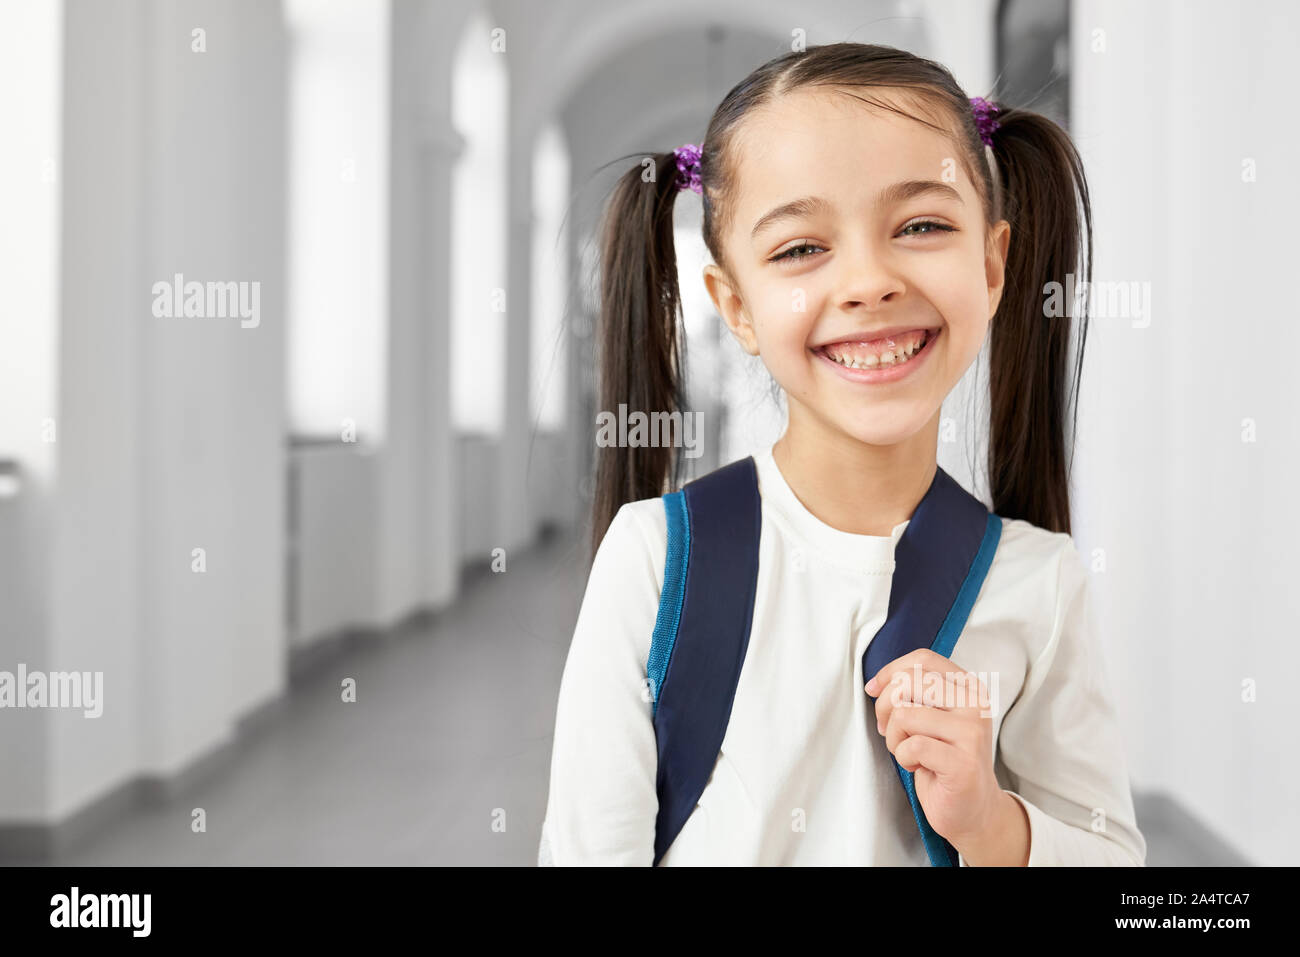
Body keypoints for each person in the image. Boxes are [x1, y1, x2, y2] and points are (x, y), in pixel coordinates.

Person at [539, 41, 1145, 866]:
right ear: (737, 306)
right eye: (799, 248)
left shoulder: (1041, 581)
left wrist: (992, 823)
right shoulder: (654, 560)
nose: (868, 281)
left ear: (994, 264)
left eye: (922, 225)